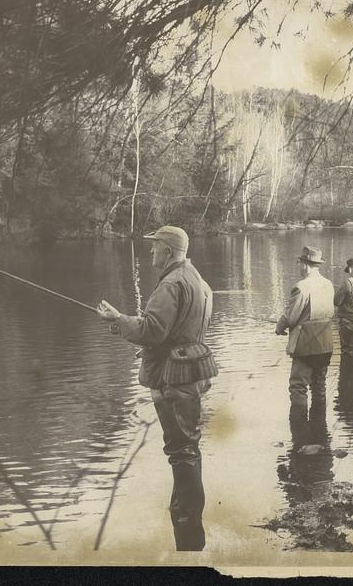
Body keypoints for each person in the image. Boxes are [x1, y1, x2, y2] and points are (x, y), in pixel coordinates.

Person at [97, 225, 217, 552]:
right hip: (191, 375)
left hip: (173, 381)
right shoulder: (199, 281)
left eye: (154, 248)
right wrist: (127, 327)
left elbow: (152, 330)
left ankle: (187, 520)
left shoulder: (171, 284)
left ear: (167, 251)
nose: (150, 252)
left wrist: (119, 319)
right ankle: (186, 512)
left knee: (181, 449)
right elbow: (179, 330)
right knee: (188, 445)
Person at [275, 246, 335, 417]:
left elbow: (291, 317)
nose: (299, 267)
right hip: (325, 343)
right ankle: (320, 430)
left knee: (298, 387)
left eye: (300, 263)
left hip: (306, 344)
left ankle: (299, 429)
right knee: (319, 385)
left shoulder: (301, 287)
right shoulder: (328, 284)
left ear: (305, 265)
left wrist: (279, 328)